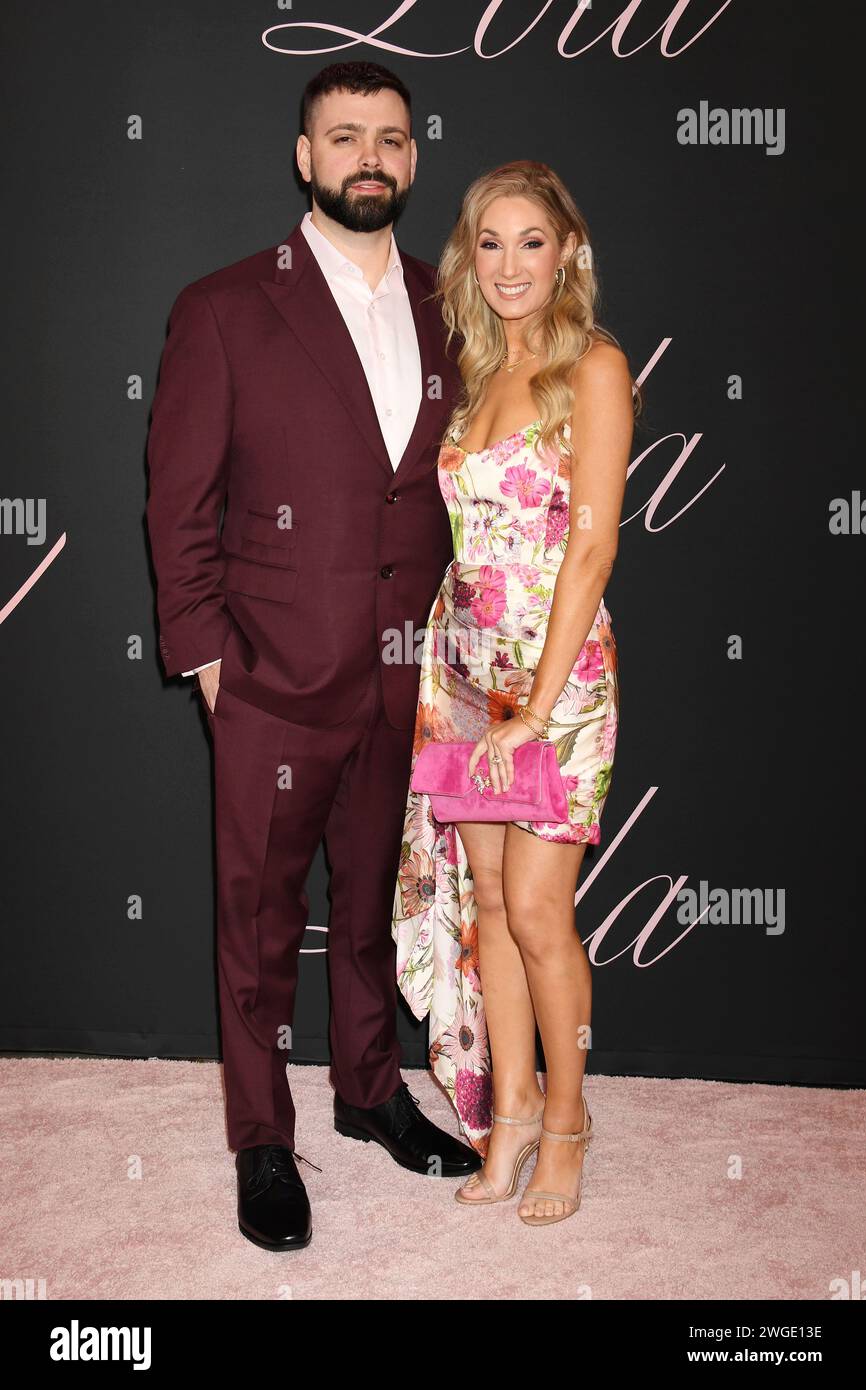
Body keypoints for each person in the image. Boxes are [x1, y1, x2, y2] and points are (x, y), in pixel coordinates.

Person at [145, 60, 481, 1253]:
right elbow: (178, 503)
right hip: (272, 678)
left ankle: (369, 1091)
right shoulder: (229, 305)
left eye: (389, 137)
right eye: (344, 138)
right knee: (260, 916)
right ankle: (260, 1139)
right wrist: (208, 660)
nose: (368, 159)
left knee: (376, 909)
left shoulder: (455, 305)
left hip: (408, 675)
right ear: (305, 157)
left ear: (413, 155)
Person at [392, 161, 636, 1225]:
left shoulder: (592, 364)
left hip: (557, 678)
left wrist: (538, 706)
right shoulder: (479, 368)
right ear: (467, 256)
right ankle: (511, 1115)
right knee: (489, 908)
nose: (507, 264)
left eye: (529, 241)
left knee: (540, 910)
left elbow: (589, 551)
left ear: (565, 251)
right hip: (463, 675)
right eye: (488, 242)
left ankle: (570, 1123)